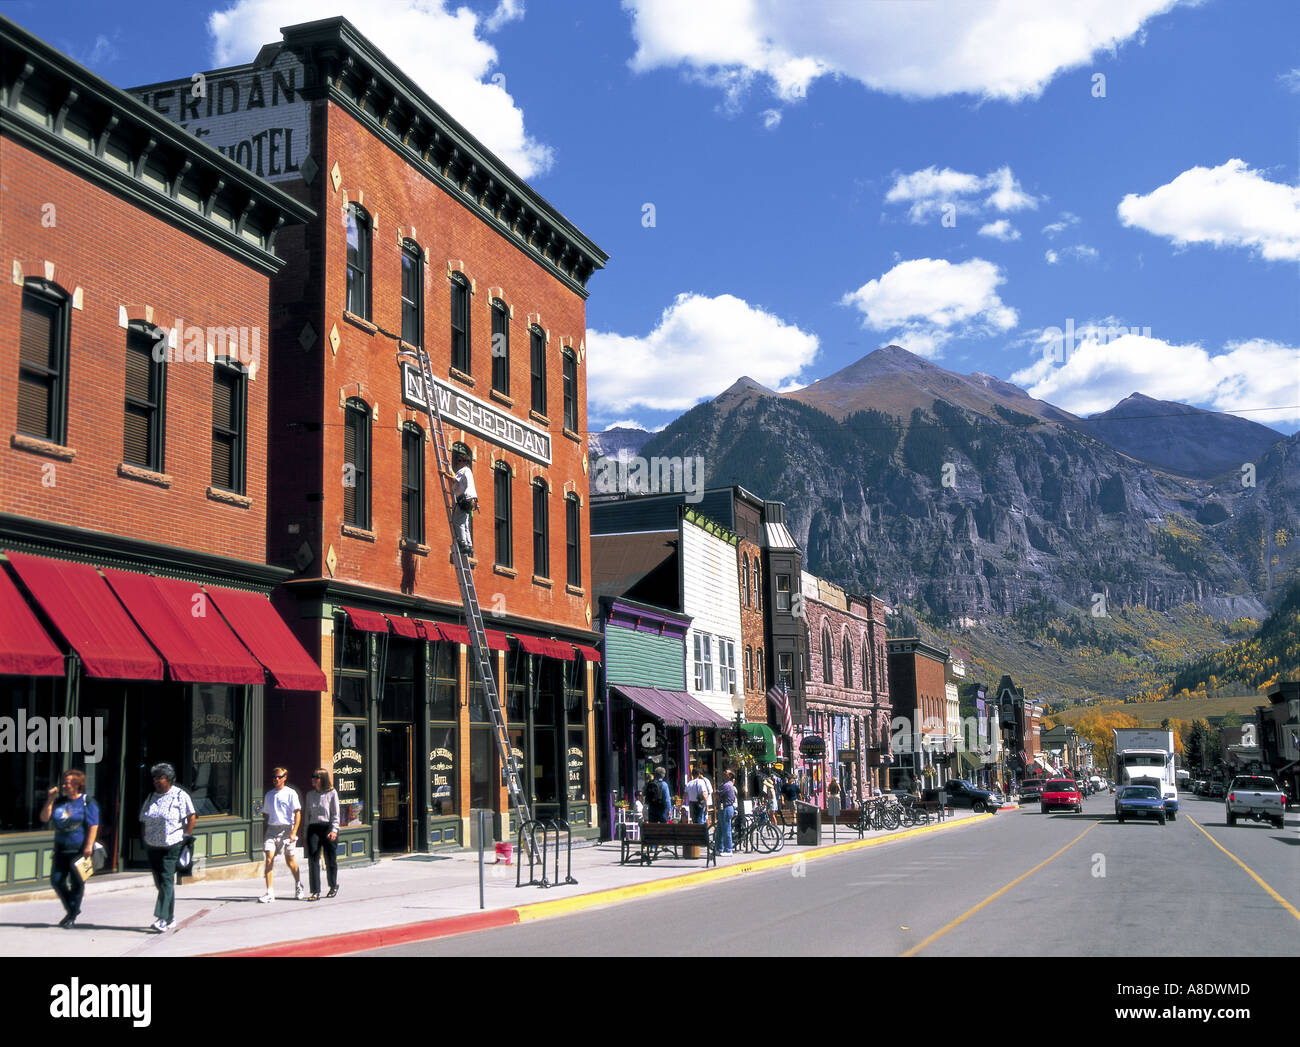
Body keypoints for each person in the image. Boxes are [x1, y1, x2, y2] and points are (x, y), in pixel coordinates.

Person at [139, 763, 195, 933]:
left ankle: (162, 919)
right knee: (161, 882)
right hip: (153, 845)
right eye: (155, 778)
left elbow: (191, 816)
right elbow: (143, 819)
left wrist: (185, 836)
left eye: (160, 777)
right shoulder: (151, 797)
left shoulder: (180, 795)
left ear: (169, 779)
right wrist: (145, 839)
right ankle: (170, 918)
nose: (156, 781)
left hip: (172, 844)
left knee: (166, 879)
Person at [41, 769, 99, 929]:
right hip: (60, 848)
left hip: (79, 849)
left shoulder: (87, 801)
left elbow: (94, 825)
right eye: (64, 782)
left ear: (77, 785)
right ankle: (73, 908)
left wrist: (88, 846)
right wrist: (50, 800)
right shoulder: (59, 801)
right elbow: (44, 818)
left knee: (77, 883)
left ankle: (71, 916)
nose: (64, 785)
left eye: (68, 783)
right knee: (57, 880)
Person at [260, 767, 303, 903]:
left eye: (279, 777)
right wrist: (265, 830)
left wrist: (294, 832)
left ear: (285, 777)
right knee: (268, 860)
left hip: (287, 830)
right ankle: (270, 892)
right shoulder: (269, 795)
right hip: (272, 830)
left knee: (290, 862)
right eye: (274, 777)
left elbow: (297, 813)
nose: (276, 779)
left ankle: (298, 885)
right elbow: (266, 814)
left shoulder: (291, 793)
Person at [304, 768, 340, 901]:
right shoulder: (309, 795)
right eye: (312, 777)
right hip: (314, 828)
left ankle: (333, 885)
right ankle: (315, 891)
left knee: (330, 858)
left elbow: (335, 814)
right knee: (313, 858)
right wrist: (305, 834)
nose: (313, 779)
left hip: (328, 828)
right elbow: (307, 816)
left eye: (316, 777)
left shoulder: (332, 793)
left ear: (323, 779)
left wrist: (334, 830)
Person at [441, 446, 478, 559]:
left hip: (464, 499)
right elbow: (456, 477)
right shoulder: (467, 471)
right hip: (471, 501)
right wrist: (449, 467)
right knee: (465, 524)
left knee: (458, 522)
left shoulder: (464, 470)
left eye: (459, 460)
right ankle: (469, 545)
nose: (458, 462)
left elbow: (453, 479)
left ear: (464, 462)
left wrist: (443, 474)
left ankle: (463, 544)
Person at [716, 770, 738, 854]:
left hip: (726, 808)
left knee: (726, 829)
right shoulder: (725, 784)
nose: (723, 773)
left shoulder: (727, 785)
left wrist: (718, 797)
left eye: (725, 772)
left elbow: (716, 795)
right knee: (720, 830)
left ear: (729, 776)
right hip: (724, 808)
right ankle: (719, 848)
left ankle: (728, 849)